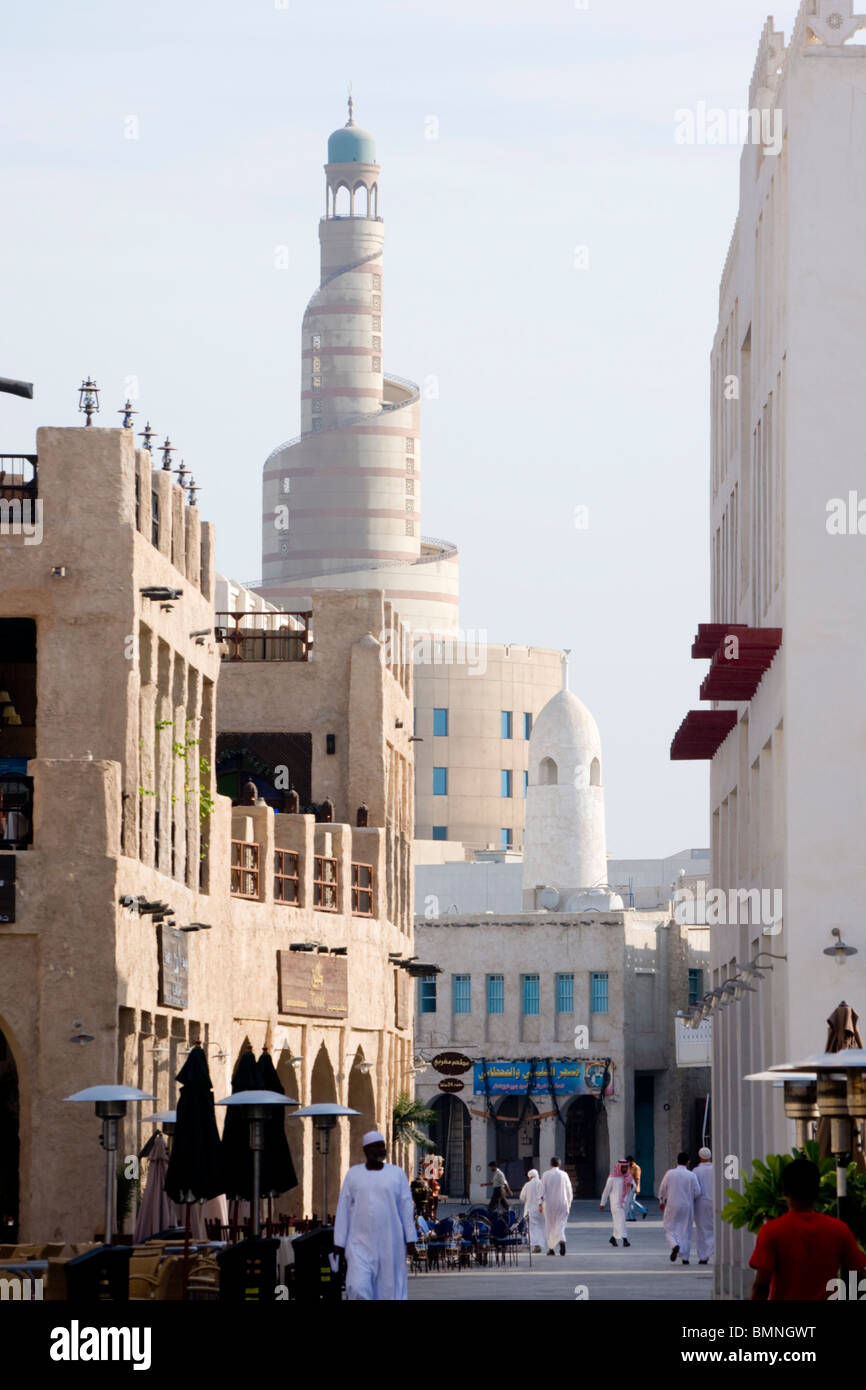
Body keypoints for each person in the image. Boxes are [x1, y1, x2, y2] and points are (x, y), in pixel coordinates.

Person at [749, 1157, 866, 1300]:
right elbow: (858, 1274)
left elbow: (761, 1285)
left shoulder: (772, 1231)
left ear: (785, 1191)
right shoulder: (838, 1230)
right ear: (817, 1191)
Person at [333, 1130, 418, 1300]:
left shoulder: (397, 1174)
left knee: (389, 1290)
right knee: (357, 1287)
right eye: (376, 1146)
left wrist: (410, 1239)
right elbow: (343, 1209)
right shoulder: (353, 1174)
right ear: (366, 1150)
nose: (381, 1150)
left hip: (390, 1243)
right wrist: (339, 1243)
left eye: (382, 1146)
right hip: (359, 1244)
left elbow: (406, 1208)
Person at [658, 1151, 700, 1264]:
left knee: (669, 1227)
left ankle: (674, 1245)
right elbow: (697, 1192)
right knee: (686, 1231)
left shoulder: (670, 1173)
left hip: (672, 1204)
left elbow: (662, 1188)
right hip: (687, 1206)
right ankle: (685, 1258)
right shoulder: (691, 1175)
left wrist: (662, 1200)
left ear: (677, 1161)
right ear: (688, 1162)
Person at [541, 1156, 573, 1256]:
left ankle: (551, 1249)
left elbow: (542, 1191)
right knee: (560, 1224)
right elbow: (569, 1191)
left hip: (549, 1204)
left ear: (550, 1164)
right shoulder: (564, 1174)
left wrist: (540, 1203)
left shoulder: (545, 1174)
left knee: (549, 1226)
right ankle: (561, 1240)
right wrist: (569, 1203)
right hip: (562, 1203)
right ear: (559, 1165)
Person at [600, 1159, 634, 1248]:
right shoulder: (612, 1177)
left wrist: (631, 1186)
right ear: (619, 1167)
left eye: (626, 1167)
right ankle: (625, 1240)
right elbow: (606, 1190)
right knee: (622, 1220)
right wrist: (603, 1203)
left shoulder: (629, 1176)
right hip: (615, 1204)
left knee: (618, 1222)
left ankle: (613, 1238)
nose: (624, 1169)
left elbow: (634, 1186)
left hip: (625, 1203)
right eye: (623, 1167)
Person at [694, 1147, 713, 1264]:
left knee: (701, 1229)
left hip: (701, 1202)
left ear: (700, 1157)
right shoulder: (716, 1169)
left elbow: (695, 1189)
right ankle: (711, 1248)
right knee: (715, 1228)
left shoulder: (696, 1171)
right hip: (714, 1200)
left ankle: (703, 1255)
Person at [519, 1168, 545, 1253]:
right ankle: (539, 1244)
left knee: (532, 1228)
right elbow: (544, 1196)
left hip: (530, 1210)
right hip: (540, 1209)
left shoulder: (527, 1185)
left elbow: (522, 1197)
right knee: (540, 1227)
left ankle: (536, 1245)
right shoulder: (541, 1183)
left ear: (530, 1176)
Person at [625, 1154, 647, 1221]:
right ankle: (632, 1217)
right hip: (628, 1187)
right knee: (630, 1202)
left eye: (628, 1161)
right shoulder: (629, 1167)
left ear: (631, 1161)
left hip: (634, 1187)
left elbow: (637, 1179)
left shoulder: (636, 1168)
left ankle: (643, 1209)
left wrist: (637, 1188)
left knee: (631, 1201)